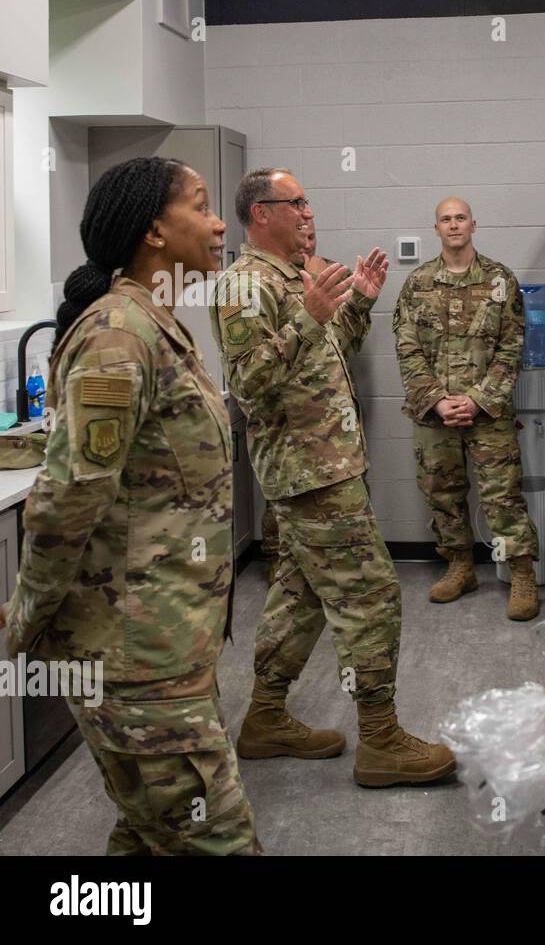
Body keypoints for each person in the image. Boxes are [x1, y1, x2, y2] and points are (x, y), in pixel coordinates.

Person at [0, 156, 259, 854]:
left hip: (167, 643)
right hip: (133, 652)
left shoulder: (154, 322)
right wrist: (23, 623)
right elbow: (67, 498)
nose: (216, 224)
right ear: (153, 231)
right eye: (201, 206)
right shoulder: (118, 335)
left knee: (149, 834)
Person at [211, 167, 455, 787]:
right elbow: (249, 387)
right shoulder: (244, 284)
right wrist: (307, 317)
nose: (309, 212)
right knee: (371, 596)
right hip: (308, 471)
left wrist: (359, 302)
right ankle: (380, 742)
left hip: (328, 463)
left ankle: (264, 718)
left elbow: (330, 349)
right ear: (261, 214)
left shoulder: (295, 277)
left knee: (302, 597)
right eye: (297, 202)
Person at [391, 197, 540, 620]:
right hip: (433, 412)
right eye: (445, 219)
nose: (453, 225)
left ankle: (521, 573)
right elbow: (407, 348)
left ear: (473, 224)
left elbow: (512, 348)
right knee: (442, 494)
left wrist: (476, 399)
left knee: (502, 495)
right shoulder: (417, 283)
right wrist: (437, 400)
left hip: (487, 411)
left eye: (460, 218)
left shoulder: (500, 281)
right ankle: (460, 566)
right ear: (435, 228)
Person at [258, 221, 336, 581]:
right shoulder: (255, 282)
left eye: (311, 234)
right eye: (299, 229)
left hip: (331, 409)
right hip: (287, 421)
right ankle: (281, 563)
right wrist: (311, 311)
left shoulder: (329, 274)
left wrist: (358, 303)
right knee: (285, 506)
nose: (306, 238)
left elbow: (345, 341)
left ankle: (306, 574)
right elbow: (253, 373)